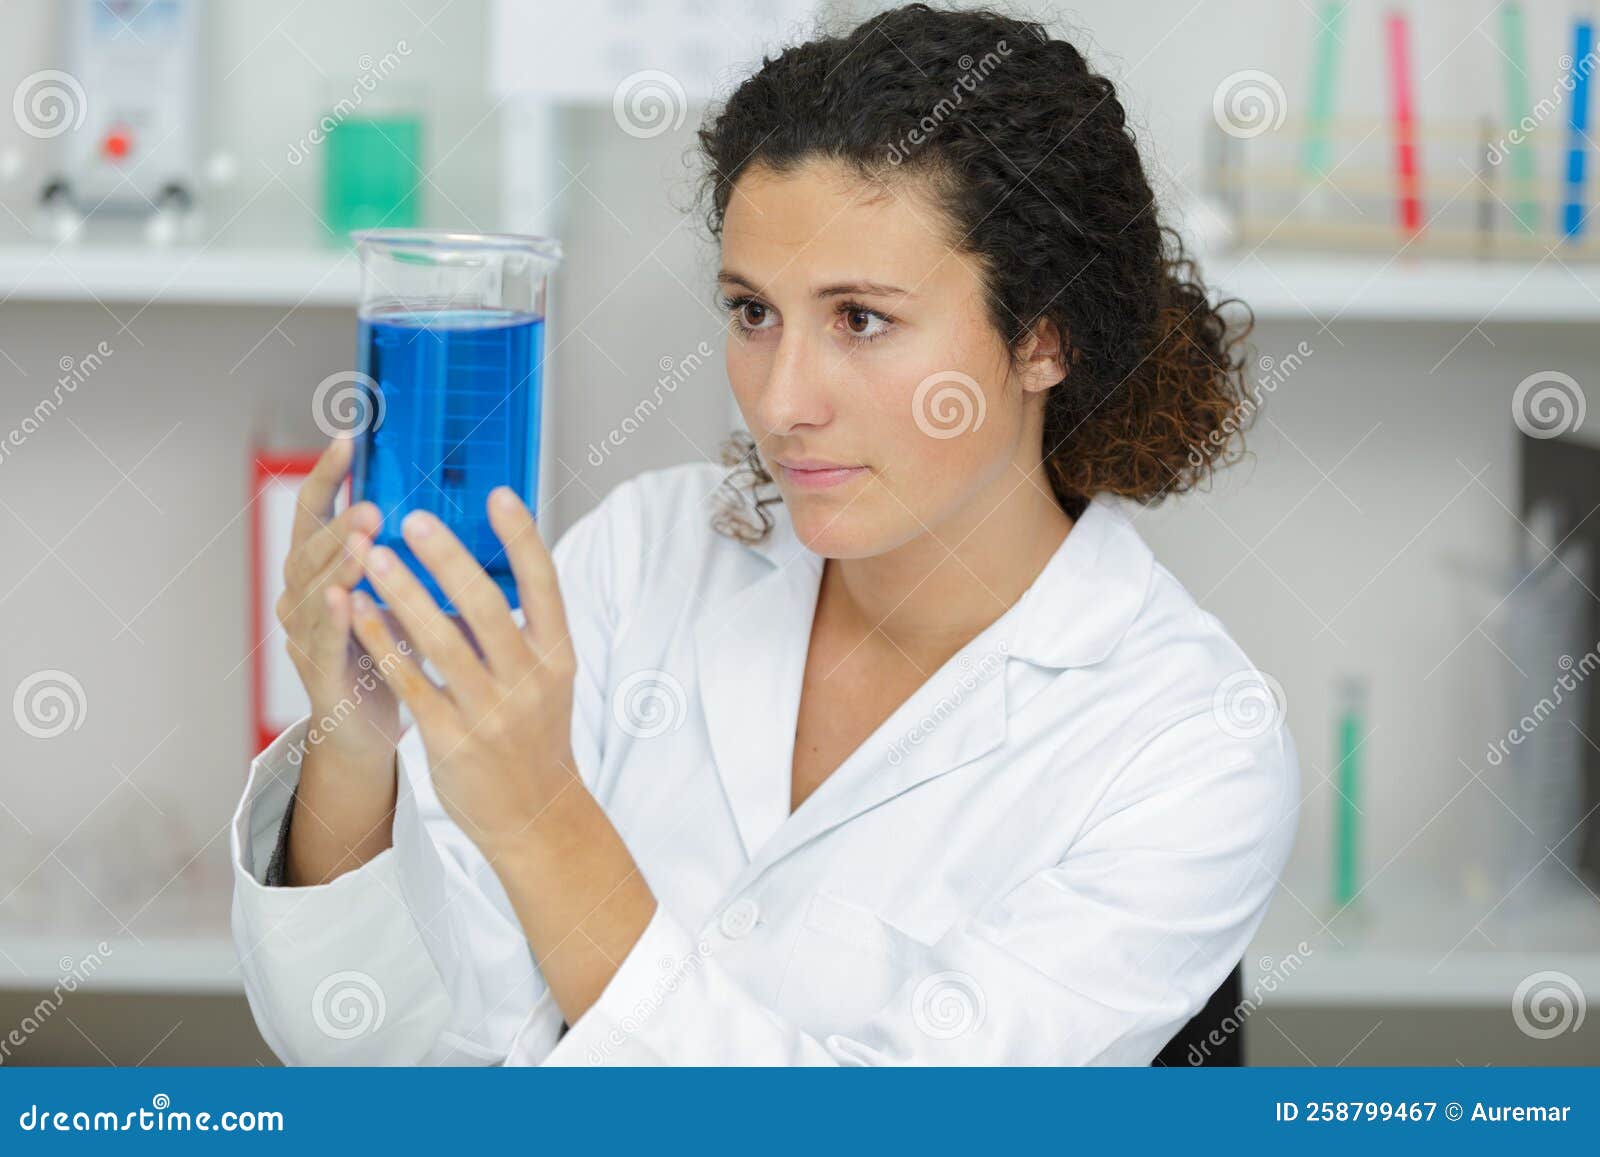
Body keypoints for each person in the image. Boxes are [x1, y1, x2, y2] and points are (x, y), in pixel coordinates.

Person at [230, 2, 1299, 1065]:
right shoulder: (646, 554)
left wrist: (542, 816)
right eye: (752, 311)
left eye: (861, 319)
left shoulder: (1189, 745)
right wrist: (356, 745)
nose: (781, 400)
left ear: (1045, 337)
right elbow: (375, 1049)